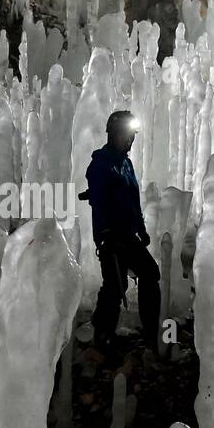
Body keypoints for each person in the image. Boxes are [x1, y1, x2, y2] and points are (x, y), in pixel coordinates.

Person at [80, 110, 161, 350]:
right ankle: (102, 334)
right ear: (113, 134)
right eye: (127, 135)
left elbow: (133, 200)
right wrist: (104, 235)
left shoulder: (126, 165)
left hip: (128, 234)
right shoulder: (100, 163)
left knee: (149, 273)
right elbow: (99, 199)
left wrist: (141, 228)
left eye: (132, 136)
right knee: (115, 287)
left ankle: (151, 330)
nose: (131, 141)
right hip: (111, 237)